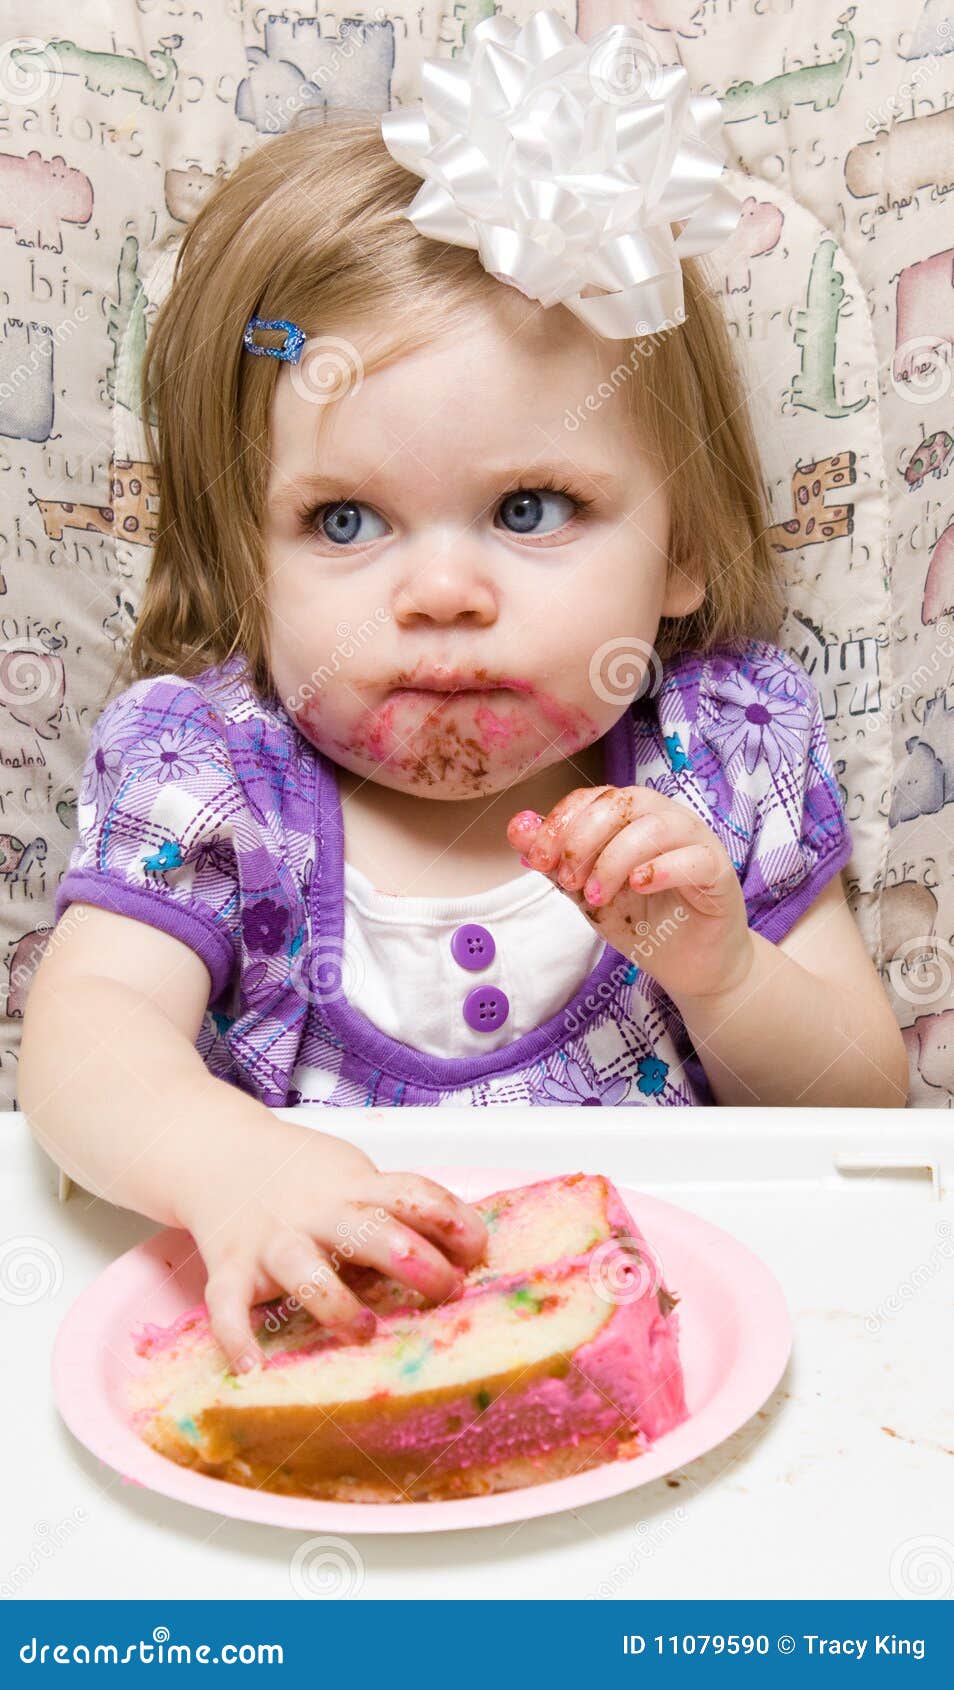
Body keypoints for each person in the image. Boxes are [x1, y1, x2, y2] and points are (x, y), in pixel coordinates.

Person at [20, 11, 907, 1372]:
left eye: (531, 505)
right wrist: (227, 1164)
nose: (441, 592)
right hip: (312, 1369)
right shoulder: (214, 772)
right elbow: (82, 1039)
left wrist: (722, 972)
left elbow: (865, 1104)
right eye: (343, 523)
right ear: (242, 559)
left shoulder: (719, 755)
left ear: (677, 548)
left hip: (673, 1363)